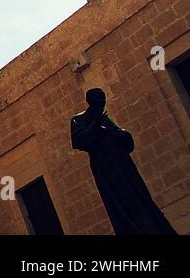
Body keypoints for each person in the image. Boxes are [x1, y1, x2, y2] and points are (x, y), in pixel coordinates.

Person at [70, 87, 176, 235]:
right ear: (89, 102)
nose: (101, 104)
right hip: (106, 167)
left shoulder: (105, 118)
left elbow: (124, 138)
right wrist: (96, 126)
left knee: (140, 197)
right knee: (121, 202)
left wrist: (120, 134)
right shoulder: (79, 119)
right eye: (97, 102)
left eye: (103, 101)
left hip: (122, 162)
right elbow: (80, 141)